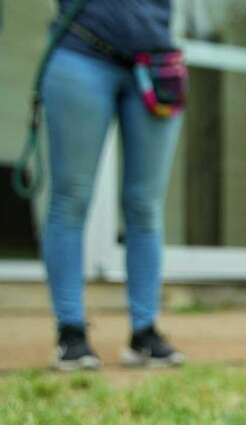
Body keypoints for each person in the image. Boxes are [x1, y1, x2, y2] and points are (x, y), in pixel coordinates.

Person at [41, 0, 185, 370]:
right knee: (70, 199)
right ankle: (71, 333)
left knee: (146, 206)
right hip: (81, 53)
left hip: (155, 65)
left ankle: (145, 332)